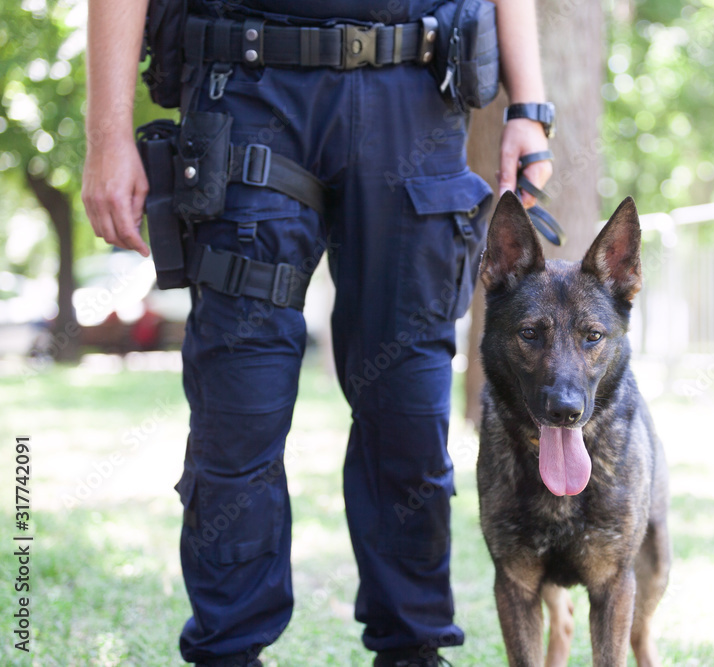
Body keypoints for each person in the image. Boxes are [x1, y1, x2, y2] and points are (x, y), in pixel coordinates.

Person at [82, 1, 553, 665]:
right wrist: (107, 135)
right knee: (238, 406)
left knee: (408, 409)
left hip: (413, 90)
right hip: (245, 84)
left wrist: (529, 106)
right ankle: (229, 651)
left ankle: (411, 648)